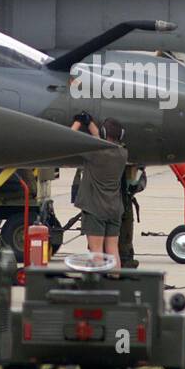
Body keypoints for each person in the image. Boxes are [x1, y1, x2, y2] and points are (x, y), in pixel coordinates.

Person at [70, 114, 128, 267]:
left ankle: (100, 284)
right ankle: (115, 282)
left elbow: (70, 139)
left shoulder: (94, 153)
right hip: (114, 208)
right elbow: (101, 140)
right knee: (112, 249)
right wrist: (90, 124)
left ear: (103, 133)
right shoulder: (123, 154)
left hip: (95, 208)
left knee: (96, 251)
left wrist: (78, 122)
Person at [117, 165, 146, 269]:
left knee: (125, 240)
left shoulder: (137, 166)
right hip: (113, 201)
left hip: (124, 202)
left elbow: (141, 179)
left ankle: (125, 263)